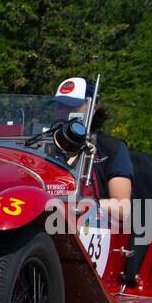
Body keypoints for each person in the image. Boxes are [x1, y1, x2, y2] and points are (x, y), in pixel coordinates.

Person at [52, 77, 132, 226]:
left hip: (91, 227)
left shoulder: (111, 148)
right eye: (60, 106)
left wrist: (80, 204)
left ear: (92, 108)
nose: (63, 112)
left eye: (72, 107)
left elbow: (123, 207)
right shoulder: (43, 144)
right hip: (49, 219)